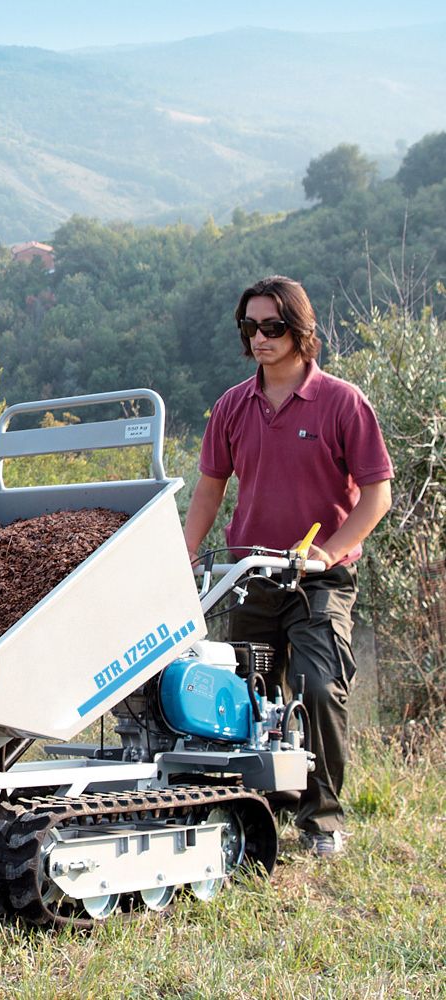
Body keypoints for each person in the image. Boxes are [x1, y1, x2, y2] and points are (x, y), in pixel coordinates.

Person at [183, 275, 393, 857]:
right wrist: (182, 555)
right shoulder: (231, 405)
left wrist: (327, 549)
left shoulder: (344, 403)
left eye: (272, 326)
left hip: (320, 579)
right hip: (249, 576)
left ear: (301, 331)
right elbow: (208, 492)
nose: (259, 338)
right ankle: (259, 812)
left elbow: (378, 496)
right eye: (249, 327)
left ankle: (322, 819)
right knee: (247, 697)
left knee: (318, 686)